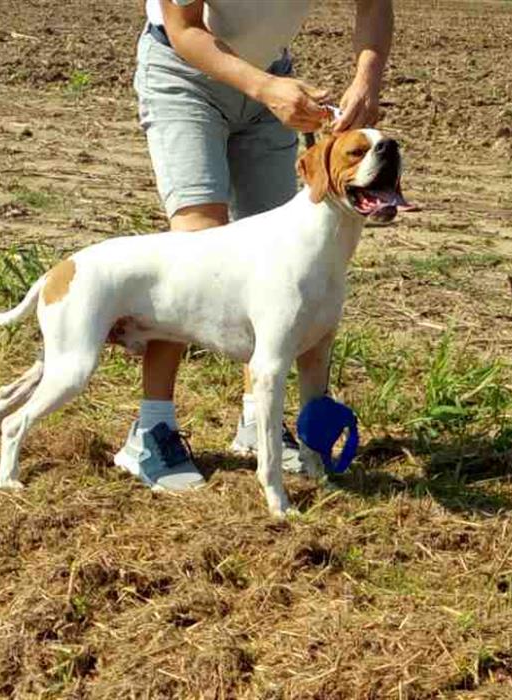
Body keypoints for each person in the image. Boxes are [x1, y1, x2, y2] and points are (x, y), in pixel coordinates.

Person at [114, 0, 394, 491]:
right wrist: (264, 88)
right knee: (195, 250)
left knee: (277, 267)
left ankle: (256, 426)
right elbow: (183, 29)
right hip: (185, 73)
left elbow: (374, 6)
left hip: (270, 80)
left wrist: (365, 80)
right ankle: (152, 429)